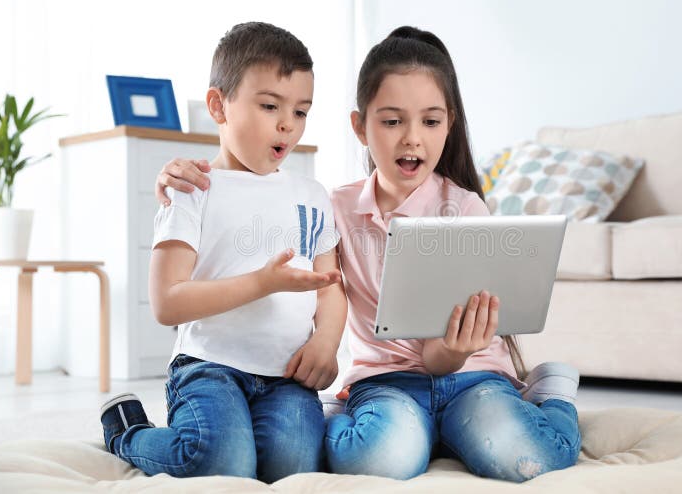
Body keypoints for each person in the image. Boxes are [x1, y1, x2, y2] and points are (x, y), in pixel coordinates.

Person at [155, 26, 581, 484]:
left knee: (529, 458)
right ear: (360, 127)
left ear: (449, 125)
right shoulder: (334, 207)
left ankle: (552, 397)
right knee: (374, 462)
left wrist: (453, 351)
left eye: (430, 122)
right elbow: (323, 282)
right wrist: (174, 172)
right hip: (389, 383)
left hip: (472, 376)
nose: (412, 139)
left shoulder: (464, 209)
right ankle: (362, 418)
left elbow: (436, 353)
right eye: (392, 121)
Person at [99, 21, 347, 482]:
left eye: (301, 111)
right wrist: (261, 283)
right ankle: (128, 432)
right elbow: (167, 302)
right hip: (208, 366)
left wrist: (326, 342)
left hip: (286, 376)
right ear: (218, 106)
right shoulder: (192, 188)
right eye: (270, 105)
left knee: (292, 468)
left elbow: (330, 287)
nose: (287, 124)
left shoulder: (312, 195)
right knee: (221, 463)